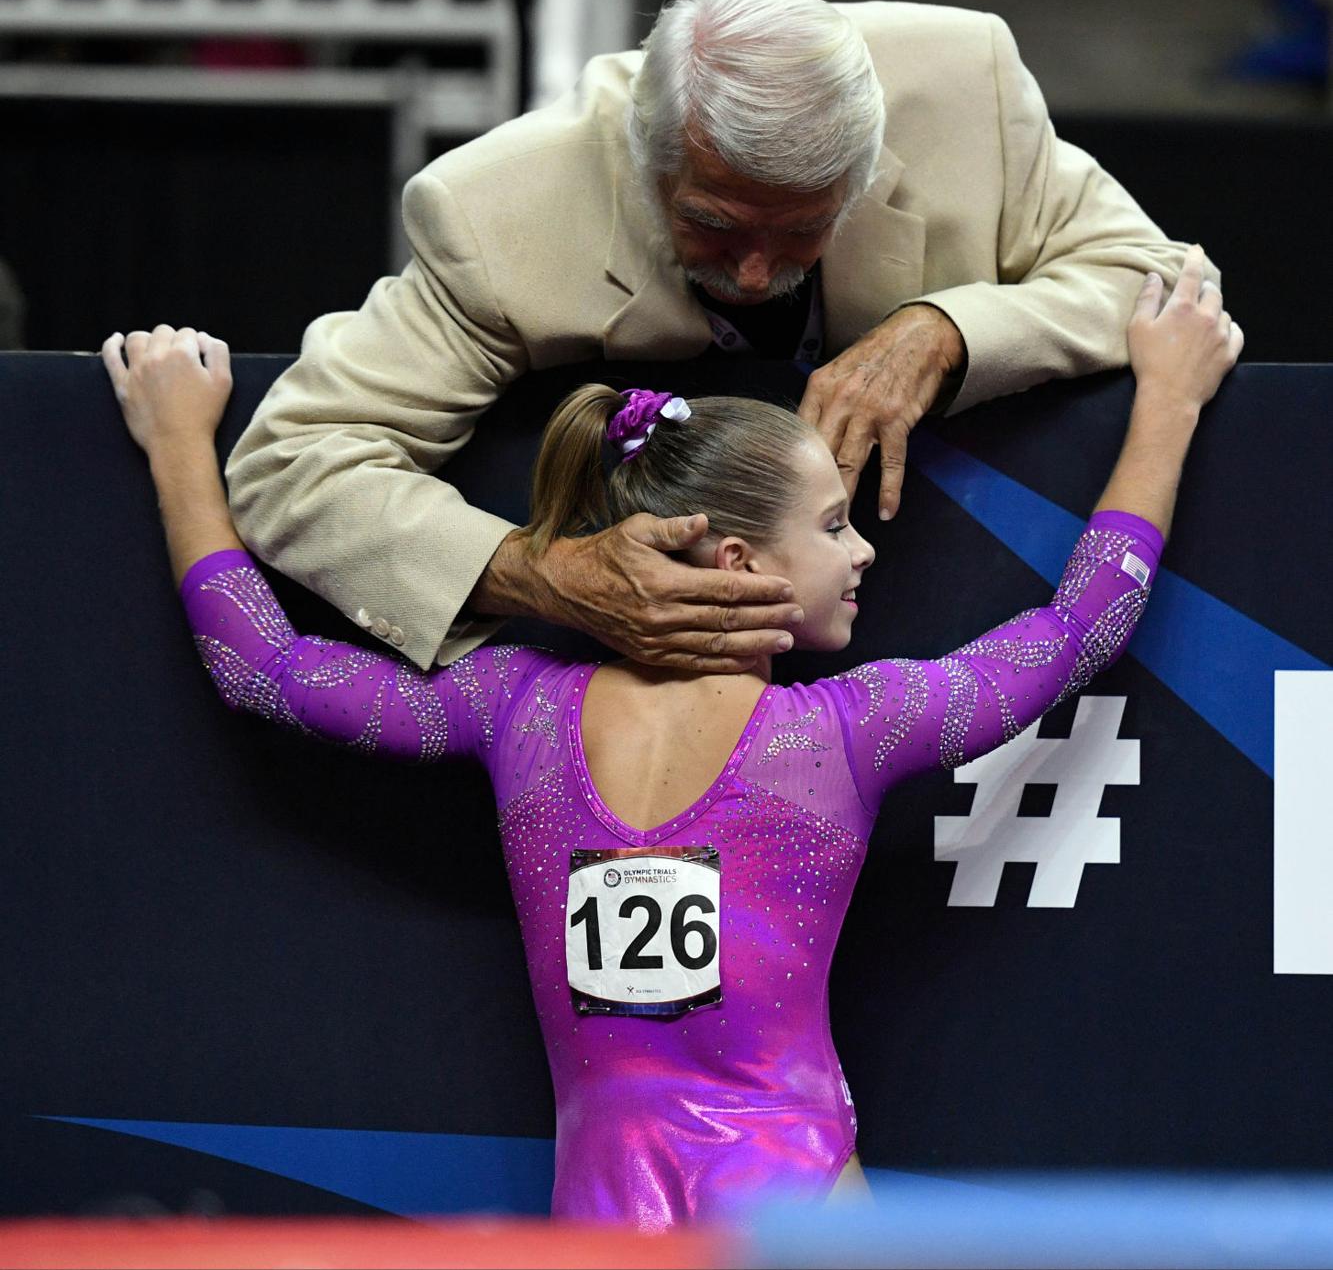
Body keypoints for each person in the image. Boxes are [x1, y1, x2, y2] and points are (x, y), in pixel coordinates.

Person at [101, 248, 1240, 1230]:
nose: (863, 555)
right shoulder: (847, 726)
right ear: (738, 564)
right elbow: (1078, 625)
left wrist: (178, 446)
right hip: (793, 1198)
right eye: (834, 526)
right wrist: (1169, 401)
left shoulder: (516, 709)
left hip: (605, 1195)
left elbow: (266, 667)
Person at [223, 0, 1219, 679]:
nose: (753, 272)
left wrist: (942, 330)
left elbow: (1163, 280)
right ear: (647, 160)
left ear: (867, 172)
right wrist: (544, 571)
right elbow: (294, 459)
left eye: (801, 230)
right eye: (711, 224)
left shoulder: (964, 83)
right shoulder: (497, 214)